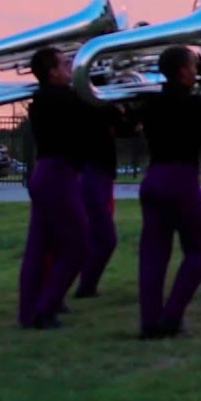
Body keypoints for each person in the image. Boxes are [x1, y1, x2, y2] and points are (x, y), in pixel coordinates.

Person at [135, 46, 201, 339]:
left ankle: (149, 322)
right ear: (183, 70)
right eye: (194, 65)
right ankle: (171, 317)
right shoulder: (196, 104)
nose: (196, 70)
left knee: (153, 254)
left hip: (153, 177)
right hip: (181, 179)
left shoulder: (148, 102)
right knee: (200, 248)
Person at [17, 47, 92, 329]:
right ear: (52, 72)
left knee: (38, 247)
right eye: (65, 65)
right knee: (78, 246)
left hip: (45, 173)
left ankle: (28, 312)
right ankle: (44, 310)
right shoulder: (64, 98)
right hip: (58, 176)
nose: (71, 68)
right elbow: (92, 112)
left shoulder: (43, 98)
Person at [73, 98, 137, 300]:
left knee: (96, 237)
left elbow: (127, 129)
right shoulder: (93, 106)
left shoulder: (103, 108)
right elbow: (122, 124)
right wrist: (120, 107)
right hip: (92, 175)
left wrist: (129, 108)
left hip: (101, 176)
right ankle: (84, 287)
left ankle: (87, 286)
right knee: (104, 239)